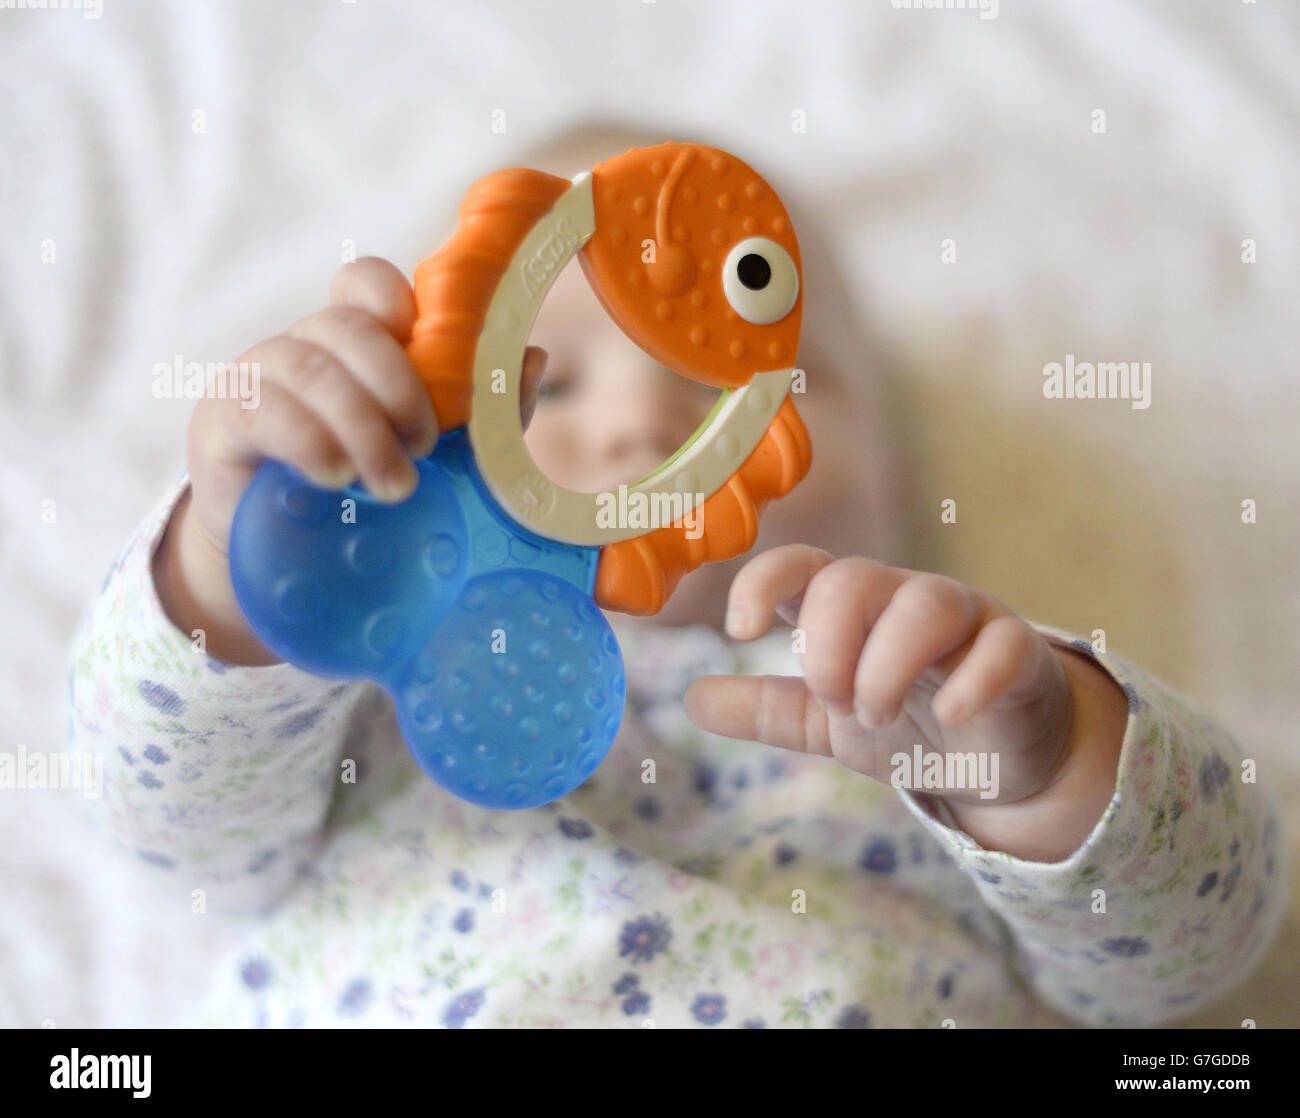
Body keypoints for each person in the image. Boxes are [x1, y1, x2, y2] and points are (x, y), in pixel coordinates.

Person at [65, 126, 1285, 1028]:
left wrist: (1044, 758)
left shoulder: (924, 711)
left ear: (891, 485)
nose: (639, 427)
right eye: (543, 386)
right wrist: (244, 566)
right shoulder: (365, 675)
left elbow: (1189, 962)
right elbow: (167, 820)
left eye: (728, 387)